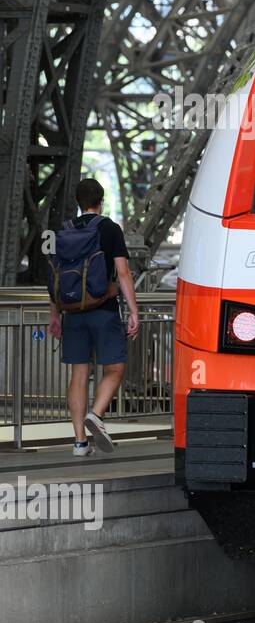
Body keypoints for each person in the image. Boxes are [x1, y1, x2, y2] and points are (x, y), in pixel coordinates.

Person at [46, 179, 140, 456]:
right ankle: (96, 414)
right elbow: (122, 273)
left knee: (78, 373)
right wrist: (134, 311)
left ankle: (79, 443)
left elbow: (53, 277)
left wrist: (55, 316)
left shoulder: (61, 232)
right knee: (115, 368)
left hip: (73, 313)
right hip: (104, 309)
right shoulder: (109, 229)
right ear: (101, 201)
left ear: (78, 202)